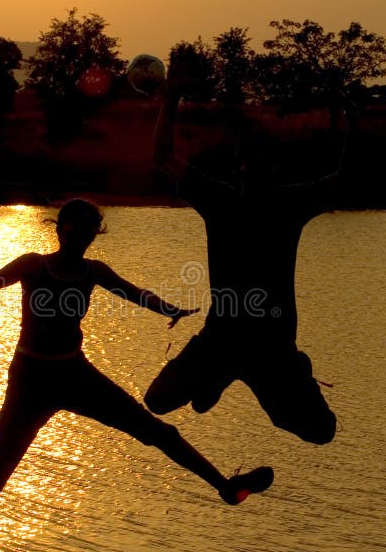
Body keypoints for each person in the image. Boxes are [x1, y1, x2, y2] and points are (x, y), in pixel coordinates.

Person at [0, 199, 274, 552]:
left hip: (75, 374)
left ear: (95, 234)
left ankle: (225, 487)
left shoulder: (94, 271)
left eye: (90, 229)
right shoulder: (32, 266)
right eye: (75, 228)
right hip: (30, 382)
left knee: (157, 432)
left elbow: (133, 293)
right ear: (60, 229)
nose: (82, 235)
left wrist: (169, 308)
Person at [143, 60, 356, 446]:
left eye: (257, 167)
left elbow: (345, 182)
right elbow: (162, 158)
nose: (250, 173)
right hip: (220, 340)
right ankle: (213, 382)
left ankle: (227, 382)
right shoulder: (229, 200)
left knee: (322, 431)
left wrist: (352, 123)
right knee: (157, 401)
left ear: (272, 173)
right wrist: (170, 99)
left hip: (272, 350)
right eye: (246, 166)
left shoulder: (283, 203)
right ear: (238, 172)